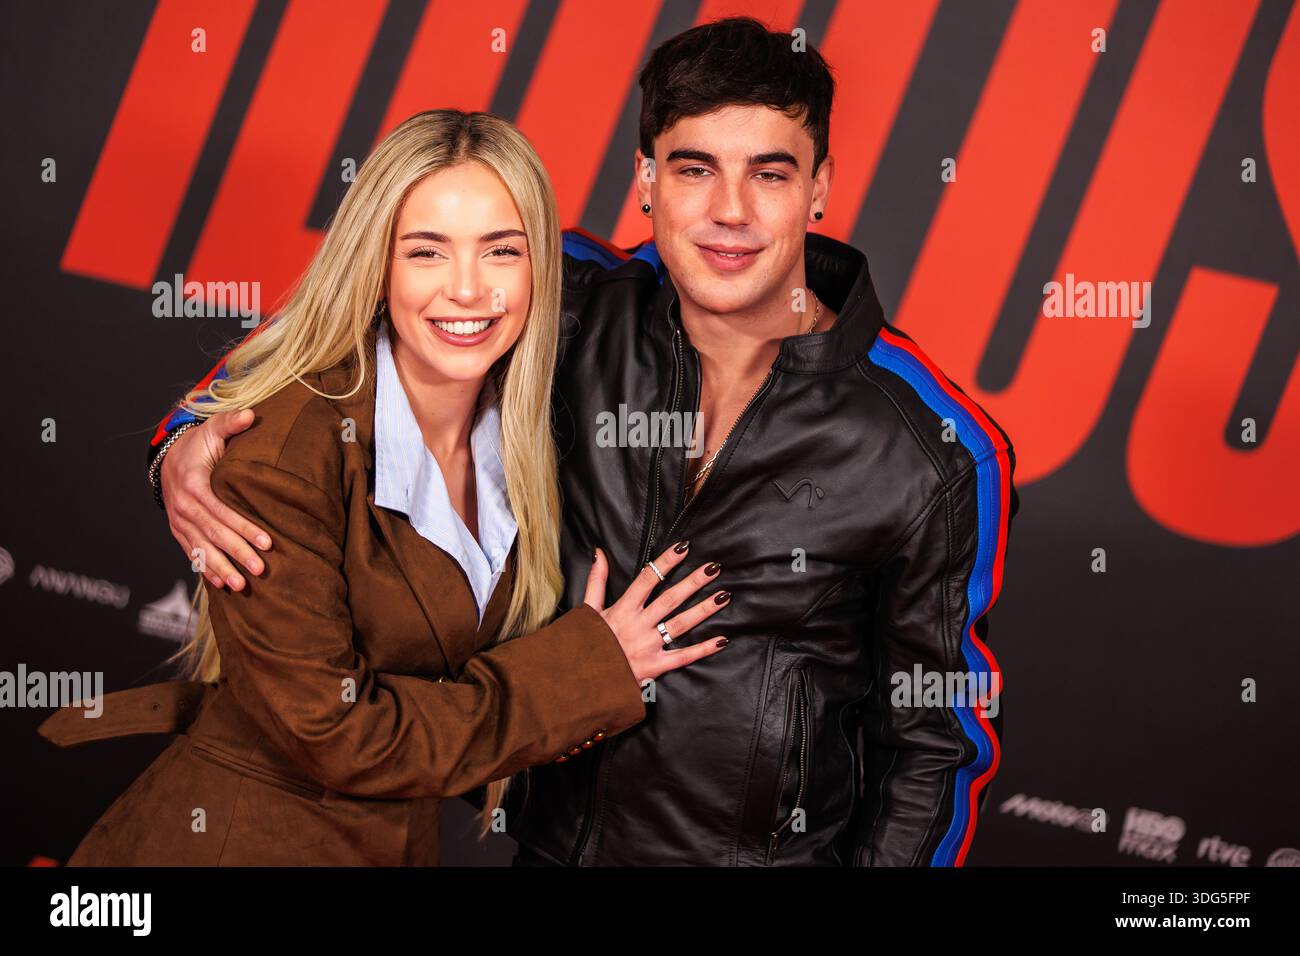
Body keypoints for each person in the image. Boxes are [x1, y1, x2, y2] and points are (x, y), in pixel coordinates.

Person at [148, 17, 1019, 866]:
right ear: (645, 180)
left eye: (770, 173)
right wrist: (190, 434)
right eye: (693, 169)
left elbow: (936, 742)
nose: (730, 212)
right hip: (543, 845)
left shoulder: (935, 444)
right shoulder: (563, 301)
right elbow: (341, 333)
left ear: (820, 187)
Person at [39, 110, 730, 866]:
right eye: (426, 251)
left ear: (541, 267)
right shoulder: (283, 452)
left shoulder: (519, 421)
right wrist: (590, 668)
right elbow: (340, 738)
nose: (468, 289)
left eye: (501, 251)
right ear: (377, 263)